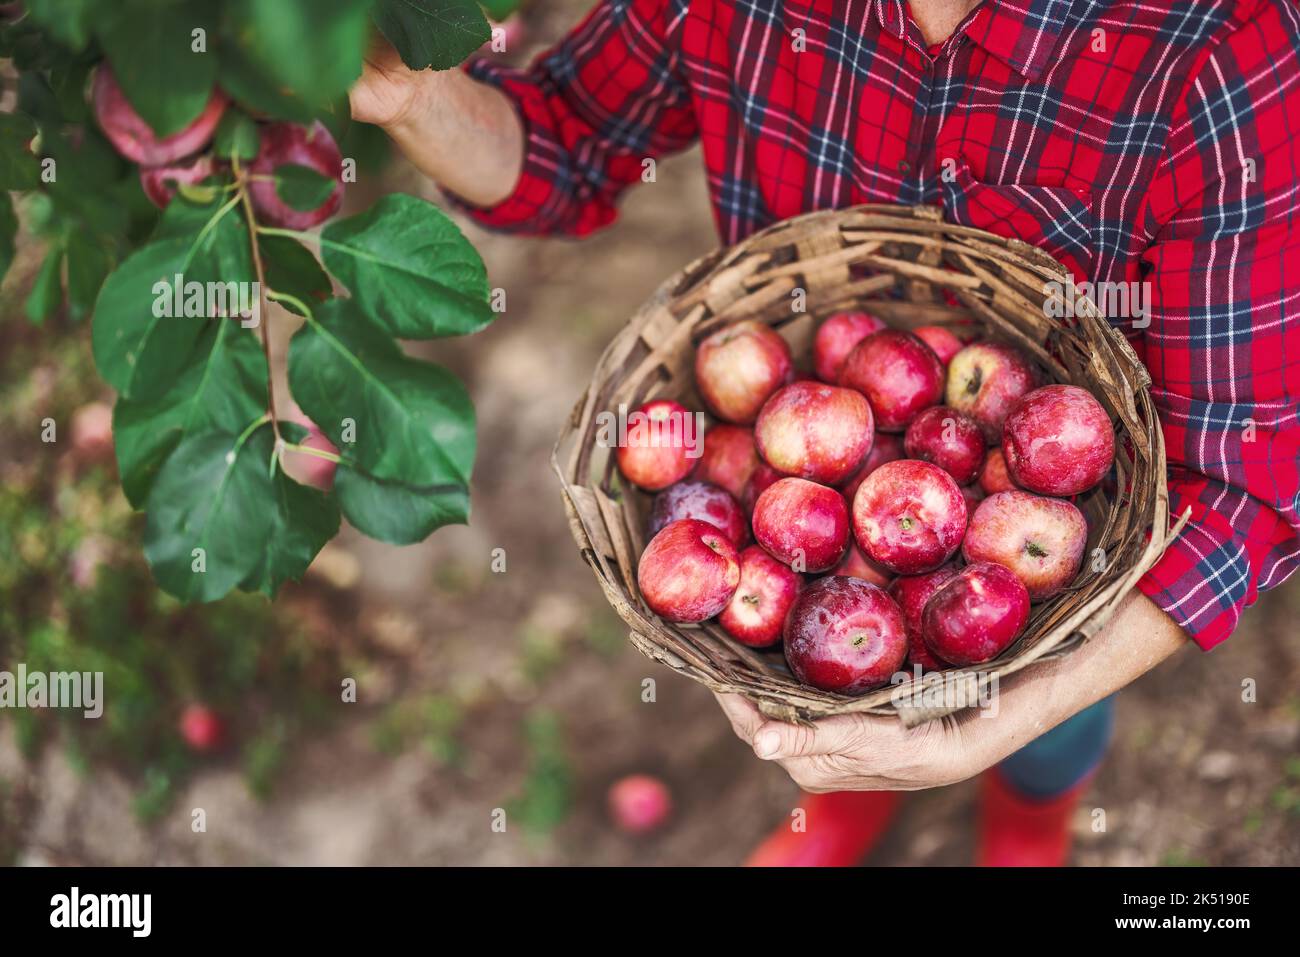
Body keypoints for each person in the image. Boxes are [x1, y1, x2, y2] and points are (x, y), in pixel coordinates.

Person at [350, 0, 1300, 865]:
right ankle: (849, 795)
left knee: (1051, 704)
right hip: (833, 447)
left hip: (1075, 533)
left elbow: (1245, 480)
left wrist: (1000, 723)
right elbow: (563, 137)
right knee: (831, 666)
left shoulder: (1225, 41)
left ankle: (1029, 813)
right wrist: (410, 99)